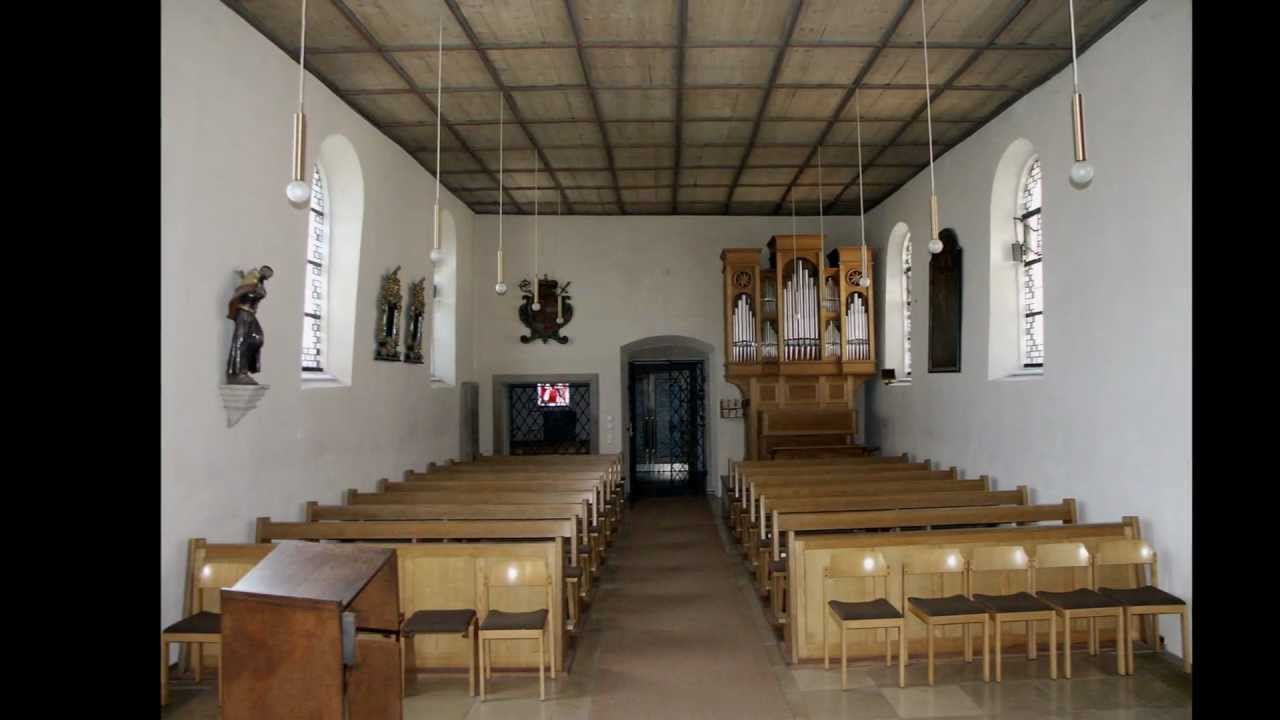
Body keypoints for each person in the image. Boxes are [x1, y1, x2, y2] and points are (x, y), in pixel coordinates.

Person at [226, 266, 273, 384]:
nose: (268, 275)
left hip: (251, 315)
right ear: (262, 270)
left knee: (257, 338)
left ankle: (244, 370)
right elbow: (244, 291)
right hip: (243, 312)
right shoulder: (252, 278)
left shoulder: (259, 283)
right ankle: (238, 373)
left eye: (269, 275)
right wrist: (244, 279)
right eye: (267, 273)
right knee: (241, 340)